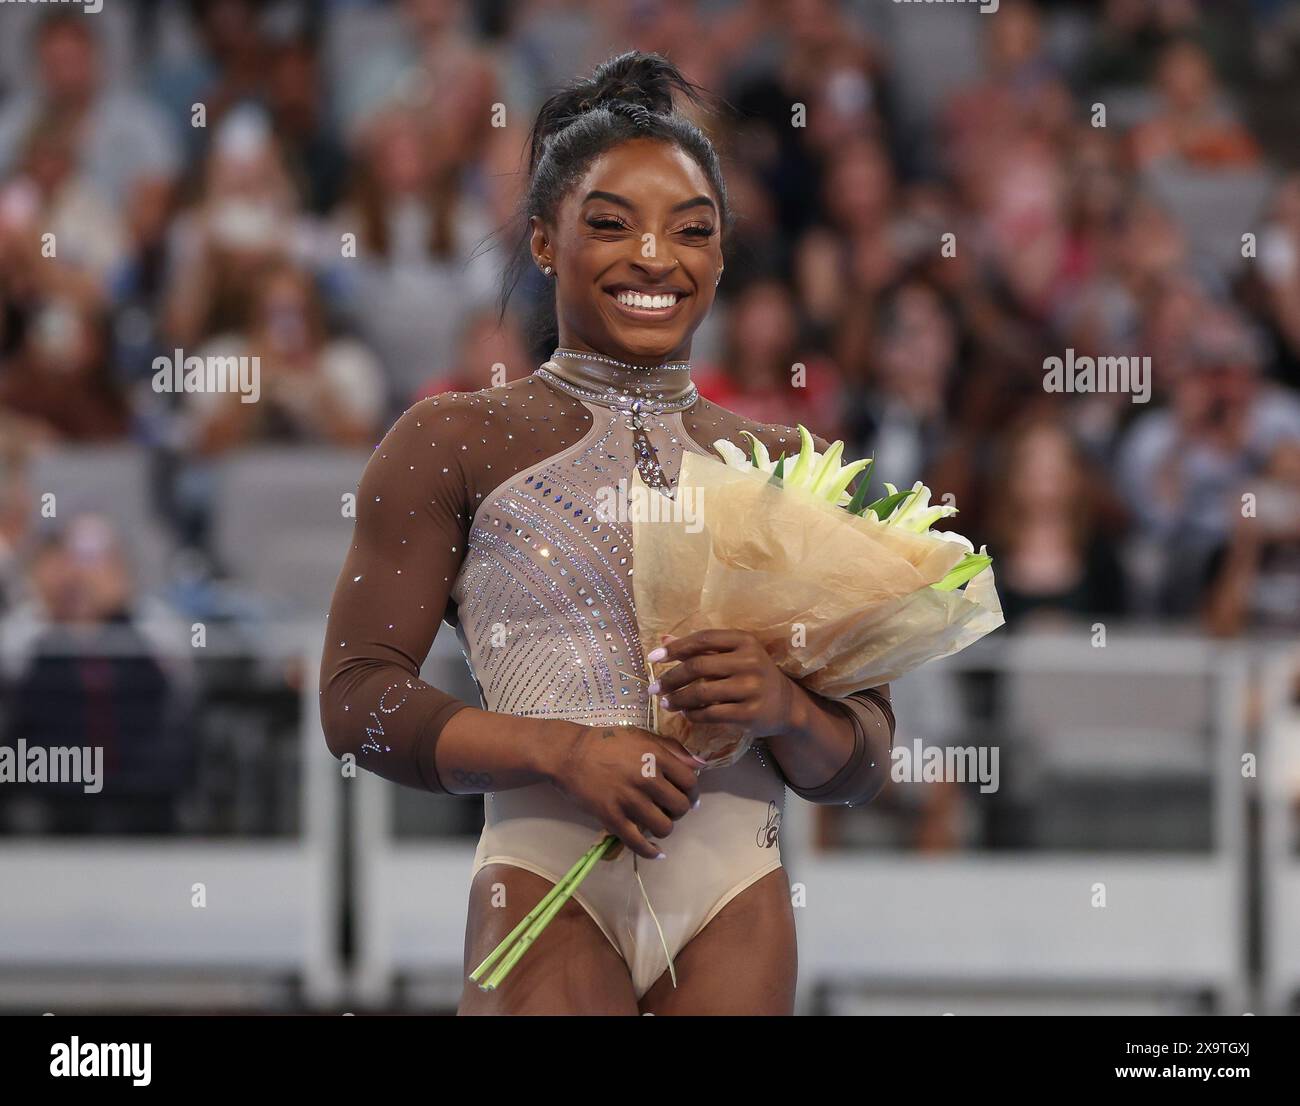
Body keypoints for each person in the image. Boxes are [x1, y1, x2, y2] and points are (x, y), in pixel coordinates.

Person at [319, 51, 895, 1015]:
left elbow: (866, 760)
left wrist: (784, 710)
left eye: (692, 231)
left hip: (735, 896)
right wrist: (561, 753)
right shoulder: (454, 441)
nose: (656, 258)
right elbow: (356, 700)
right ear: (544, 242)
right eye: (611, 225)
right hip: (542, 878)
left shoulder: (786, 464)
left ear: (720, 255)